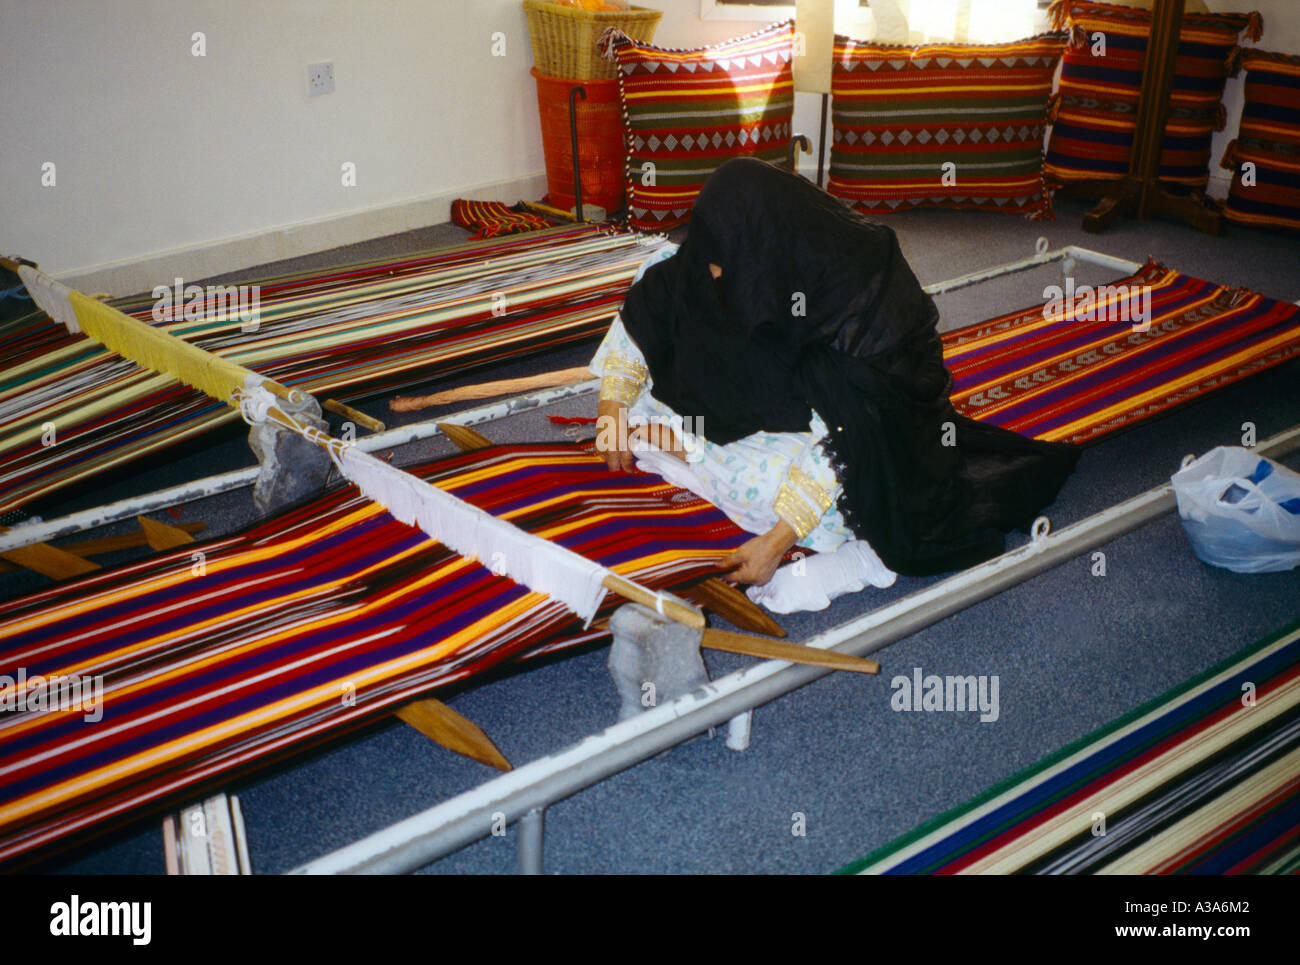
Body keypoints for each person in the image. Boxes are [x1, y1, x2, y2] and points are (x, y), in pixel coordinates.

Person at [590, 157, 1078, 611]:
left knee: (788, 490)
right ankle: (689, 448)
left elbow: (848, 438)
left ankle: (864, 556)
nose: (710, 274)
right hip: (759, 409)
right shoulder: (715, 261)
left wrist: (778, 541)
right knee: (643, 390)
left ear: (761, 252)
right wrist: (612, 408)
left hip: (860, 432)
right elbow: (653, 304)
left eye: (723, 265)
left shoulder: (848, 309)